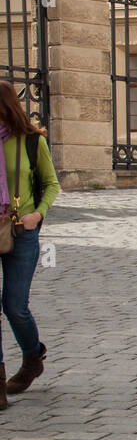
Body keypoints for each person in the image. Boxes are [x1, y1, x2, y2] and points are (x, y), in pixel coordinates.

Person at [1, 83, 60, 409]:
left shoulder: (31, 141)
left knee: (14, 305)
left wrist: (39, 213)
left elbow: (51, 184)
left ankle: (32, 357)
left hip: (22, 231)